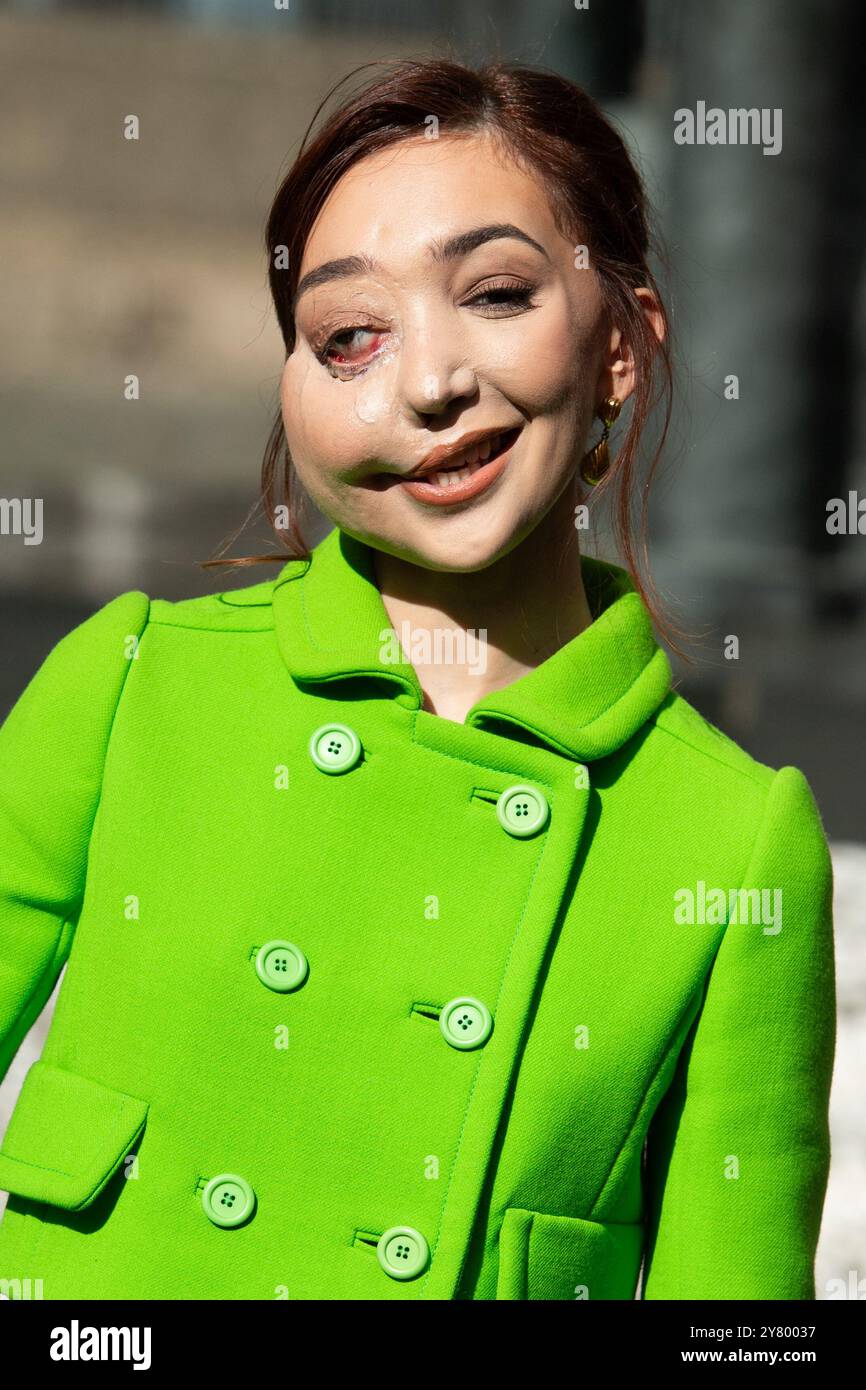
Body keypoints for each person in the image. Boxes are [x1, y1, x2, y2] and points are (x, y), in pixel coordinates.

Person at [0, 59, 835, 1301]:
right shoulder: (130, 687)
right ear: (294, 390)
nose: (430, 385)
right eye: (349, 337)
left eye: (494, 293)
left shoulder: (732, 840)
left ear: (619, 346)